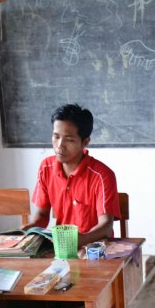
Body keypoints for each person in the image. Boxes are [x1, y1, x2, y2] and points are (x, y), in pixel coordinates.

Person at [26, 103, 120, 247]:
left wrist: (81, 240)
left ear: (85, 142)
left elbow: (106, 226)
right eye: (56, 136)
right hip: (63, 249)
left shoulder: (102, 175)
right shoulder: (46, 167)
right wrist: (27, 230)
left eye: (69, 140)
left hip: (94, 250)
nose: (60, 145)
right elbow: (42, 215)